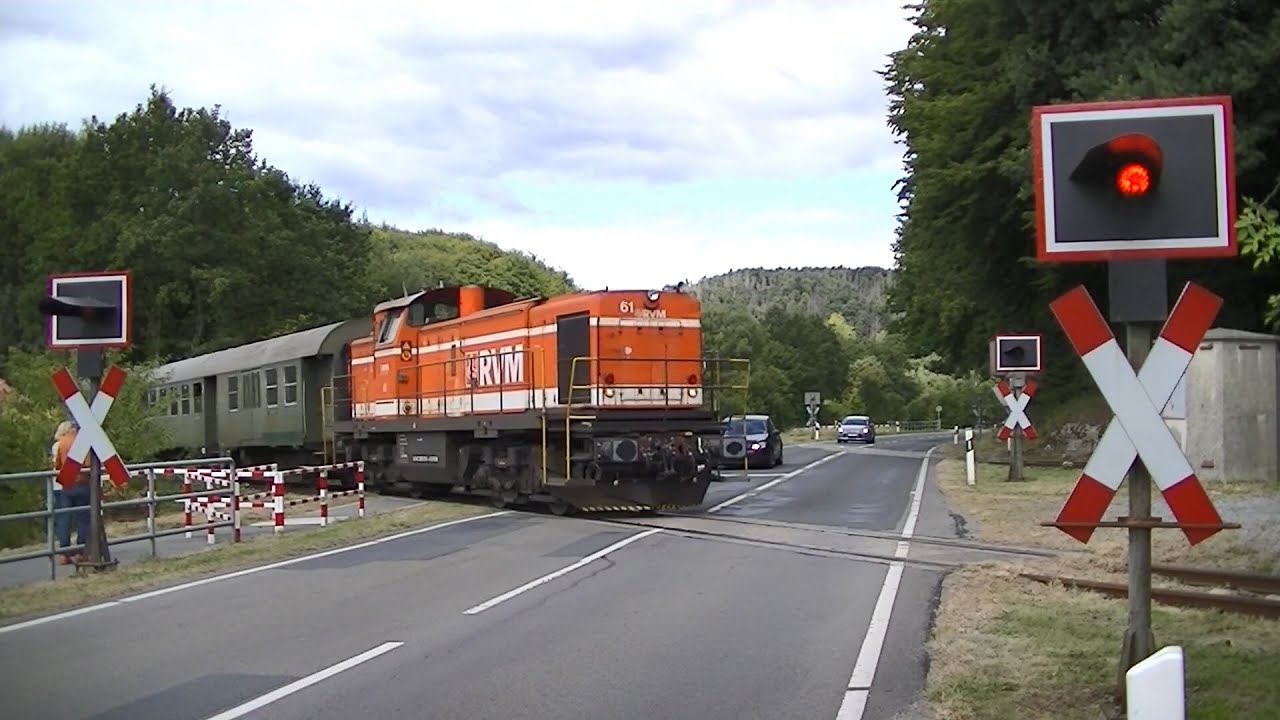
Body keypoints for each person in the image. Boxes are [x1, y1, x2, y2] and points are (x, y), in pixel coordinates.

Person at [51, 420, 90, 565]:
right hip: (81, 482)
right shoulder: (83, 442)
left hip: (65, 483)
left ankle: (64, 552)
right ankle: (81, 551)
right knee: (83, 517)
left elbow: (57, 465)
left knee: (64, 518)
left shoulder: (61, 443)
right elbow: (88, 463)